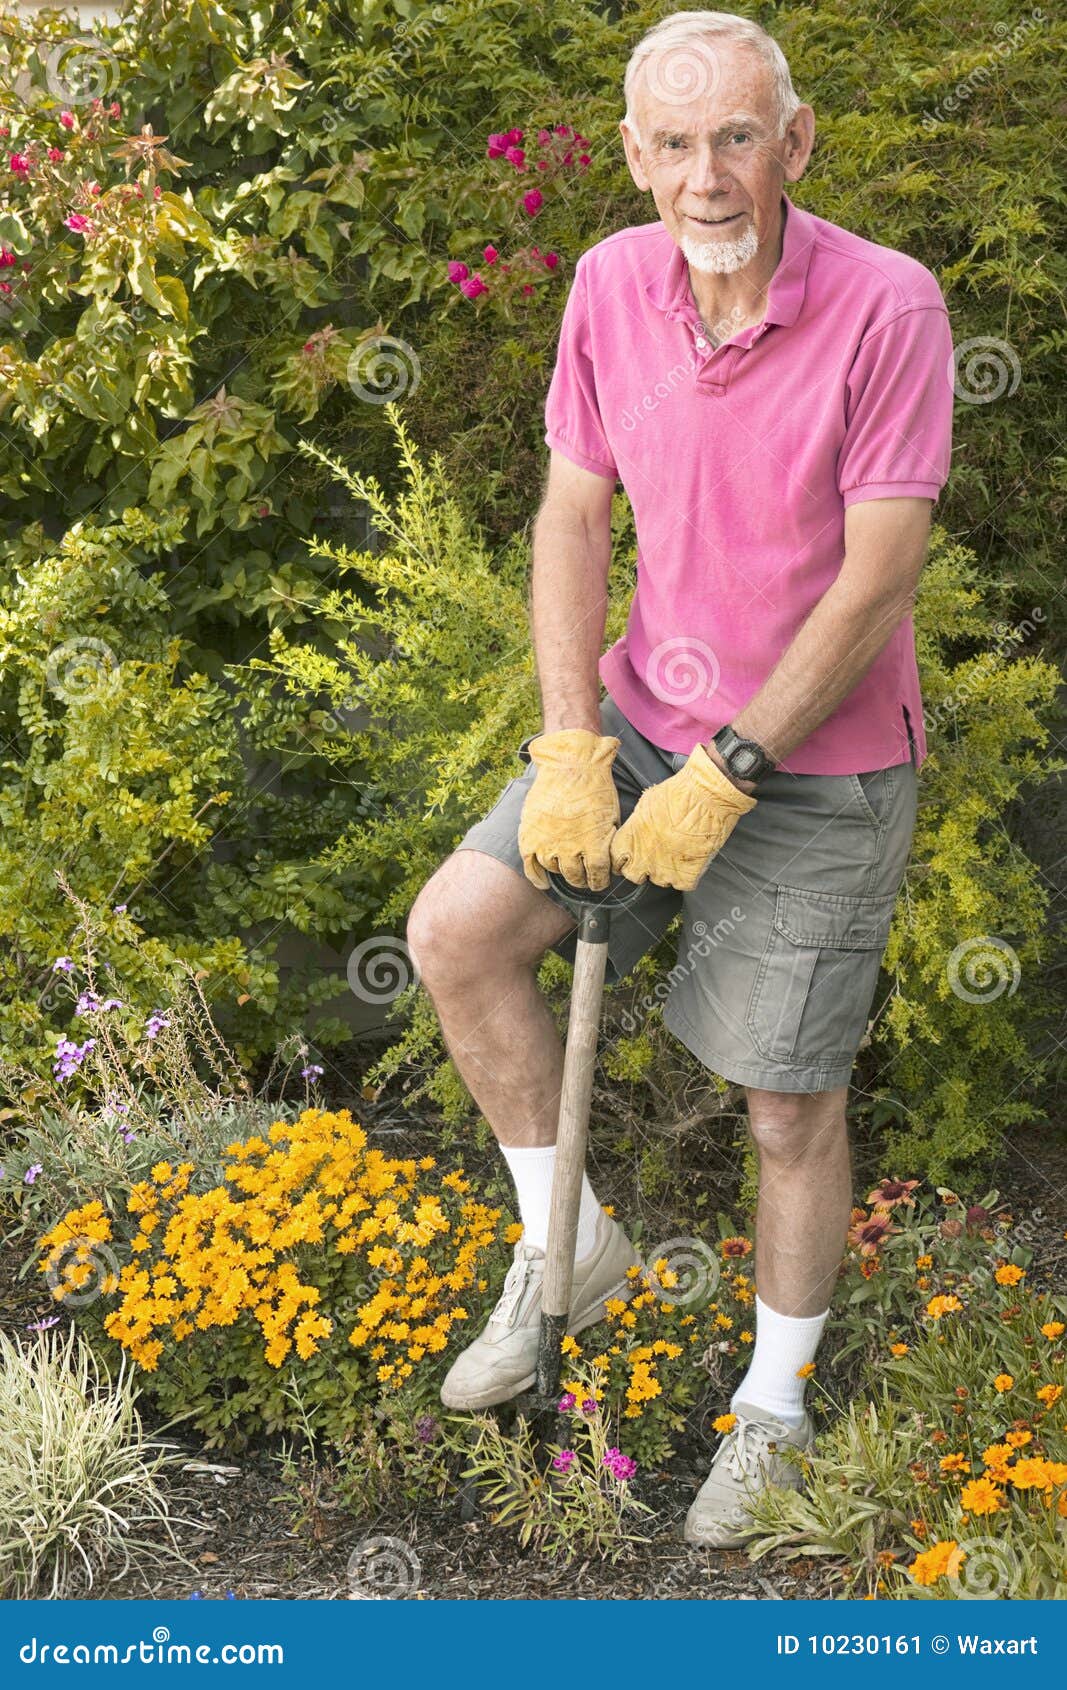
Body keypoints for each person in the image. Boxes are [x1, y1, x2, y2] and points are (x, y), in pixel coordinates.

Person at [407, 8, 953, 1547]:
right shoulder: (607, 285)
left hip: (821, 761)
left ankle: (772, 1408)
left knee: (785, 1103)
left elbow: (878, 579)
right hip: (646, 717)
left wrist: (731, 769)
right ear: (635, 156)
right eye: (674, 144)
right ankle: (566, 1242)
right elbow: (573, 518)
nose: (706, 176)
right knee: (457, 933)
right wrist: (571, 744)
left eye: (736, 138)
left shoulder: (889, 306)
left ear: (795, 144)